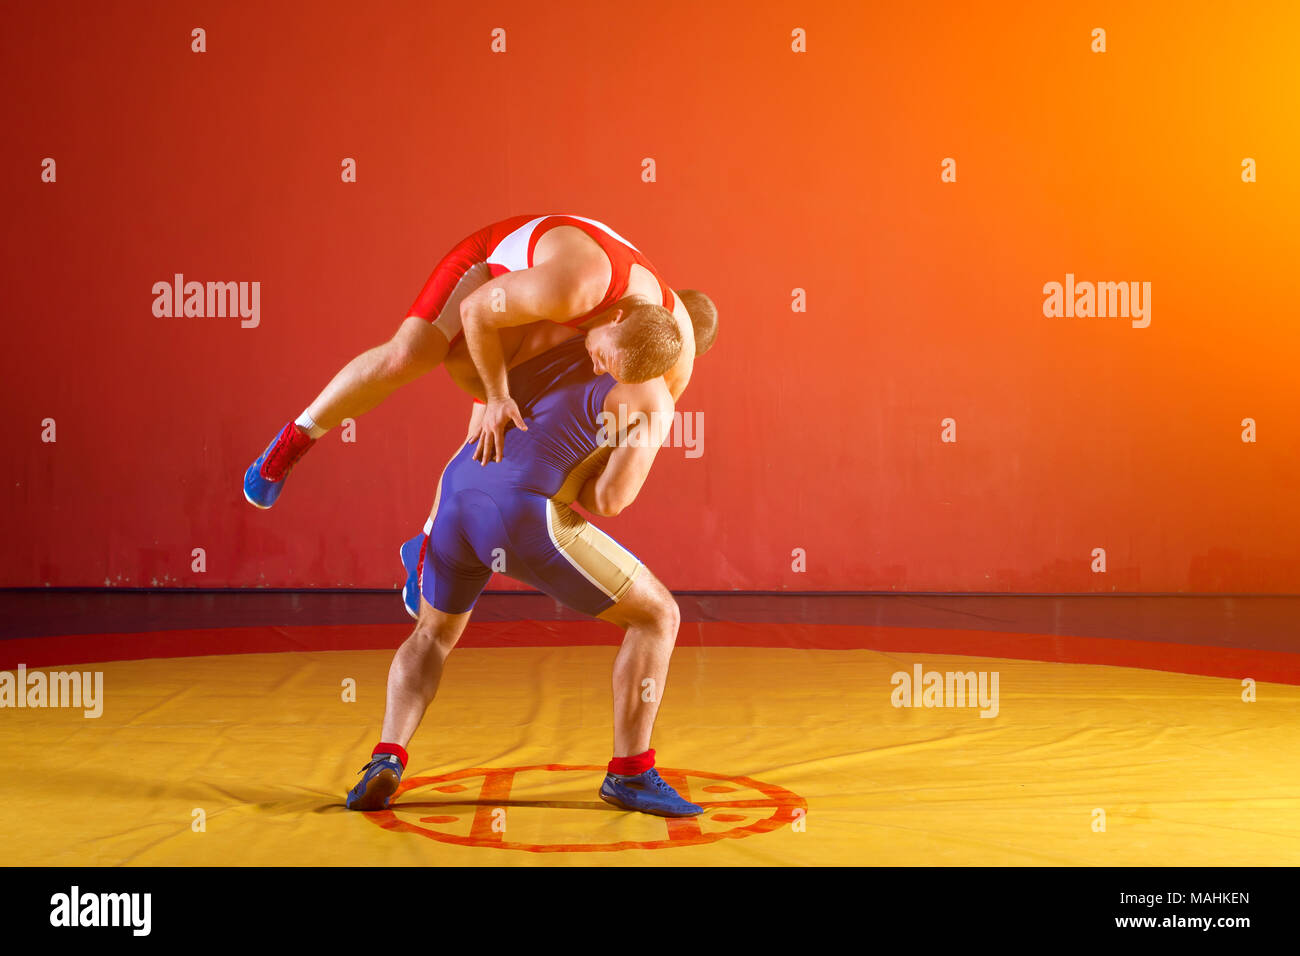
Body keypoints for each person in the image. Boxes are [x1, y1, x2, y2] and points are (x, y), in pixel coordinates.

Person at [346, 334, 704, 817]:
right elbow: (609, 502)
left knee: (431, 633)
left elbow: (479, 346)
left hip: (458, 487)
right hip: (519, 513)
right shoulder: (654, 394)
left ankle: (385, 758)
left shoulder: (561, 330)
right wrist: (590, 458)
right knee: (658, 616)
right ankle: (631, 773)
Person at [243, 214, 717, 507]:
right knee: (411, 355)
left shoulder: (677, 363)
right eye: (606, 359)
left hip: (551, 311)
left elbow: (635, 439)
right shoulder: (574, 286)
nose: (598, 372)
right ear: (615, 317)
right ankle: (295, 439)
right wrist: (494, 395)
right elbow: (475, 311)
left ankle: (431, 544)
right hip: (490, 270)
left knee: (509, 427)